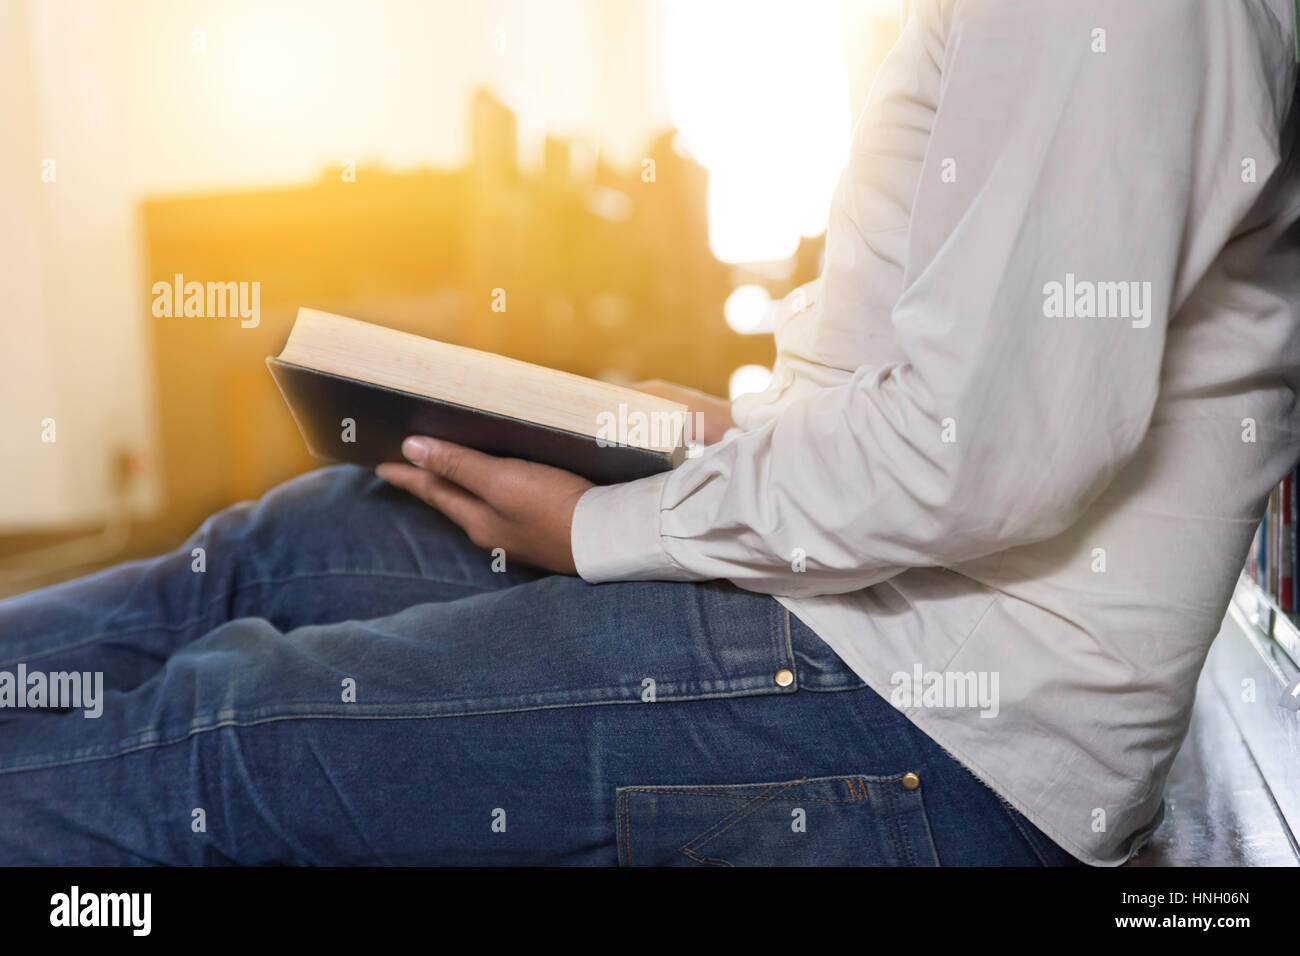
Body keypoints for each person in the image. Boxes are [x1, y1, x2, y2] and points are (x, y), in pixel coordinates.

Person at [2, 0, 1298, 866]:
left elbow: (977, 458)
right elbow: (962, 362)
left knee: (230, 738)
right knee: (291, 547)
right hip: (881, 598)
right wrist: (736, 430)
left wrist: (604, 522)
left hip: (951, 723)